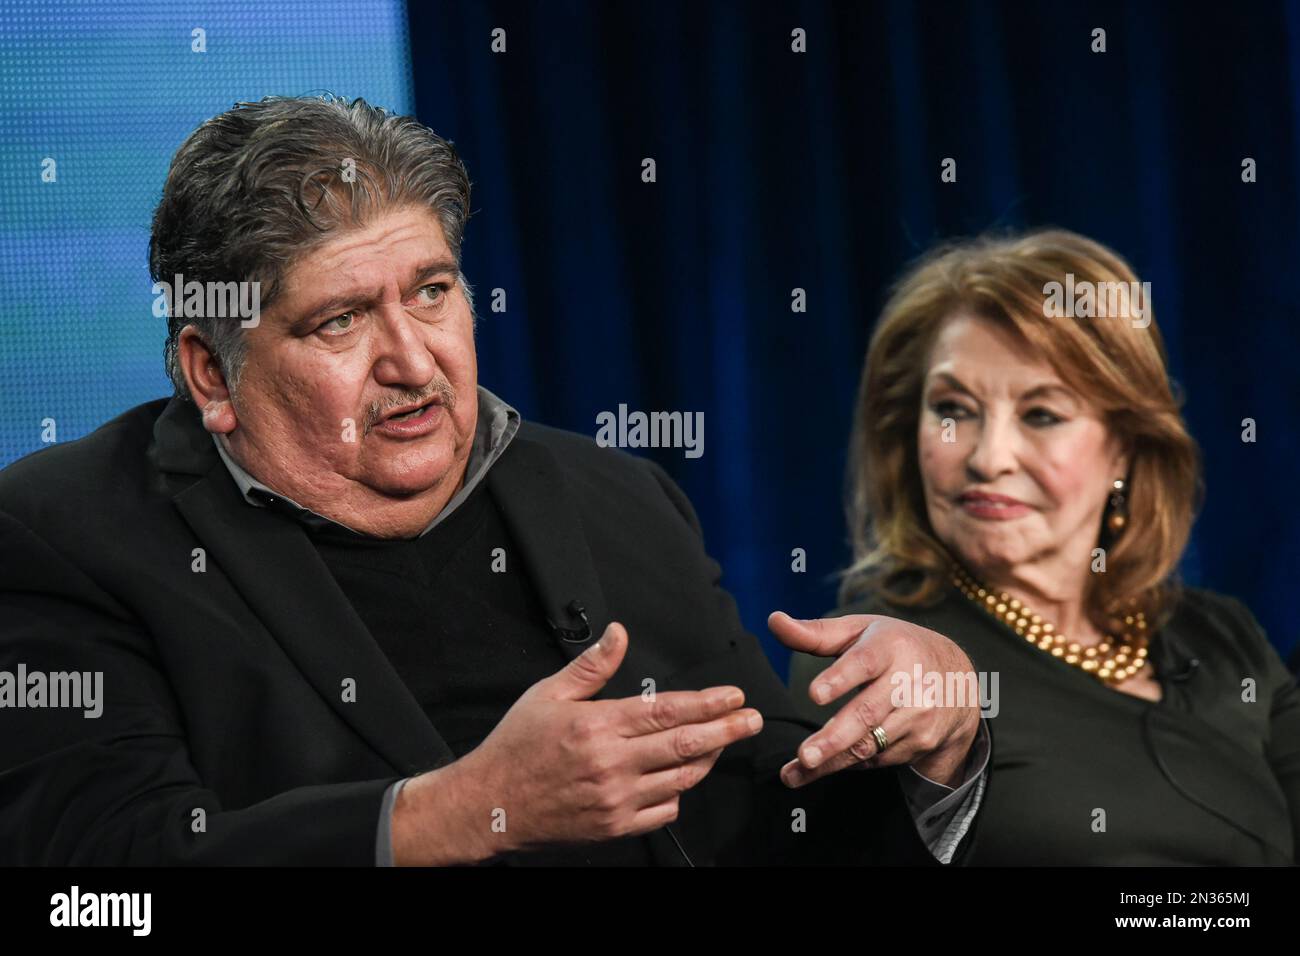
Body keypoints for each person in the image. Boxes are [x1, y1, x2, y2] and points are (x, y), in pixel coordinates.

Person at [0, 95, 988, 866]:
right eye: (341, 319)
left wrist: (928, 747)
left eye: (432, 292)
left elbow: (762, 830)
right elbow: (95, 891)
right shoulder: (70, 531)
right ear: (213, 372)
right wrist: (460, 811)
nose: (413, 361)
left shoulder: (615, 497)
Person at [790, 229, 1299, 864]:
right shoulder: (876, 655)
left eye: (1042, 415)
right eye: (953, 409)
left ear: (1126, 447)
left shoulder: (1223, 638)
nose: (988, 458)